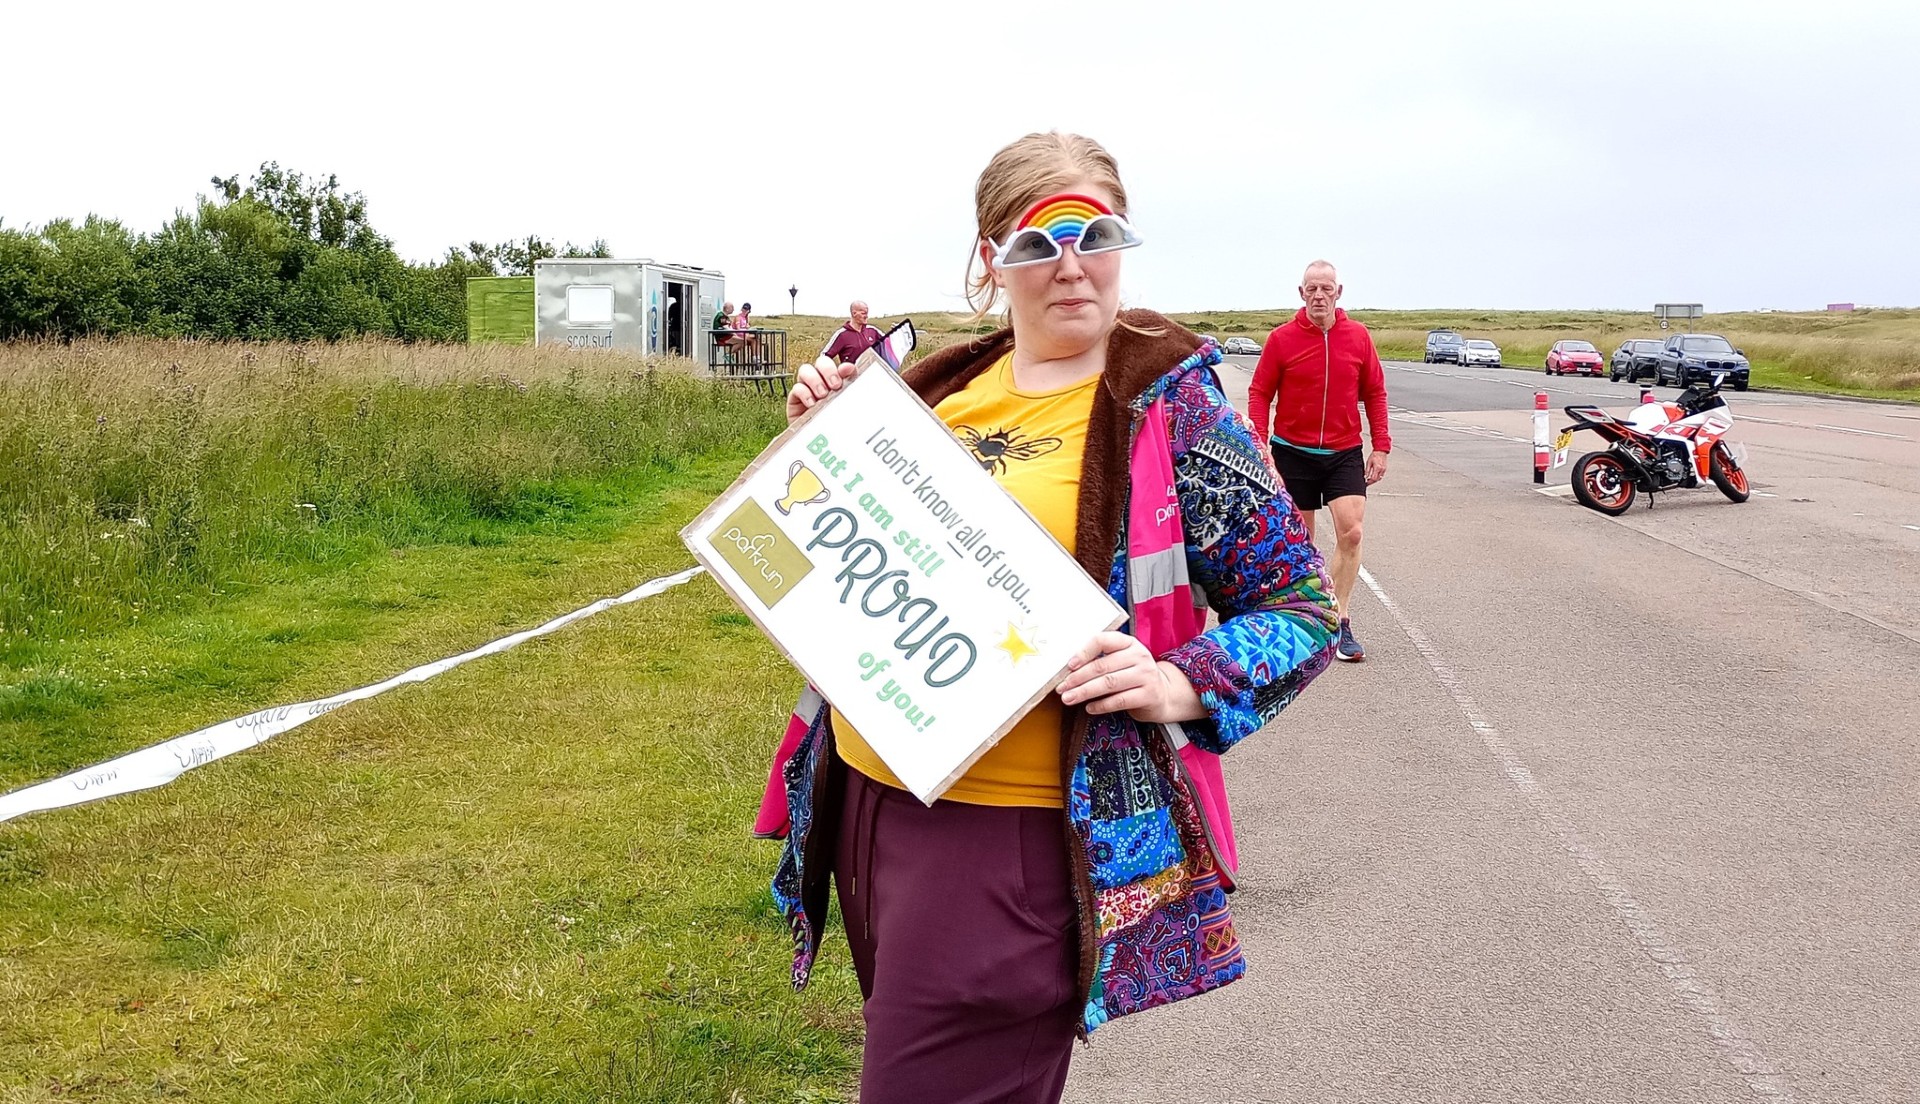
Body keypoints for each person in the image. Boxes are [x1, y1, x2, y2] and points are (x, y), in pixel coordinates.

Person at [768, 131, 1340, 1103]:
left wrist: (1179, 679)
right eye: (1038, 242)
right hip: (870, 810)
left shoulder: (1169, 405)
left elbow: (1302, 607)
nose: (1072, 265)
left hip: (1011, 841)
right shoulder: (942, 388)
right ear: (991, 260)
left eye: (1096, 235)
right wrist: (818, 451)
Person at [1246, 260, 1390, 663]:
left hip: (1343, 451)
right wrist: (1260, 444)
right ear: (1301, 293)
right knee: (1302, 543)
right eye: (1312, 289)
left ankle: (1339, 619)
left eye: (1326, 288)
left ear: (1338, 292)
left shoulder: (1358, 337)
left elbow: (1375, 392)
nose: (1319, 296)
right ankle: (1306, 616)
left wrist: (1381, 446)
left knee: (1352, 533)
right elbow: (1260, 392)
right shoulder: (1282, 339)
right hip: (1292, 451)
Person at [821, 300, 884, 365]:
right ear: (854, 313)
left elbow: (888, 342)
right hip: (852, 371)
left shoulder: (873, 331)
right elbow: (824, 357)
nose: (866, 316)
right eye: (863, 313)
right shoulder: (842, 334)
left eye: (867, 313)